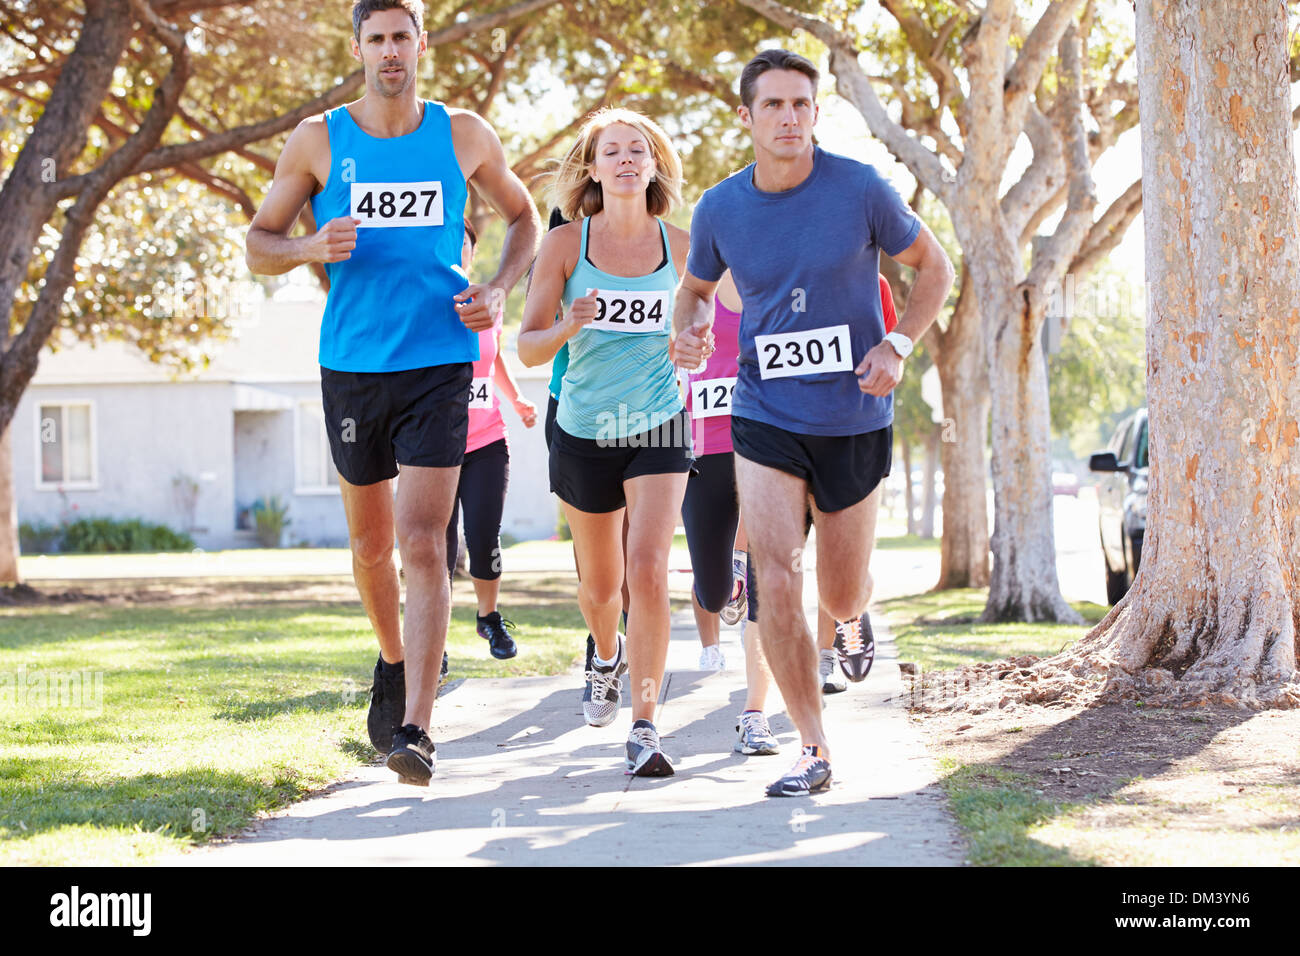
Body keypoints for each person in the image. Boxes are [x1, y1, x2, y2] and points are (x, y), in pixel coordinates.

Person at [244, 0, 541, 787]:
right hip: (352, 364)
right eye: (375, 39)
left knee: (421, 541)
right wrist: (310, 244)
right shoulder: (317, 139)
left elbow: (523, 217)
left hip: (441, 361)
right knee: (372, 546)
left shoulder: (464, 134)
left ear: (421, 44)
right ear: (358, 48)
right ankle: (392, 655)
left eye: (401, 36)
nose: (389, 51)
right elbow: (258, 245)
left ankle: (416, 726)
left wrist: (501, 286)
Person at [672, 49, 954, 797]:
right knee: (774, 574)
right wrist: (690, 328)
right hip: (763, 411)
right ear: (747, 116)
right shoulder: (720, 208)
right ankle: (812, 747)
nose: (790, 117)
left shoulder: (860, 188)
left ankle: (854, 617)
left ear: (815, 113)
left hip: (853, 414)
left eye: (802, 104)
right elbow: (695, 289)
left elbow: (935, 267)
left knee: (838, 589)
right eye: (774, 105)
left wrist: (898, 344)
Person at [519, 108, 695, 777]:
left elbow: (710, 314)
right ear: (592, 168)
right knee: (602, 587)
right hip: (585, 428)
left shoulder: (681, 245)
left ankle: (646, 725)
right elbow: (529, 349)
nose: (626, 159)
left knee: (648, 568)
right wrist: (567, 324)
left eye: (638, 149)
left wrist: (693, 340)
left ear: (654, 165)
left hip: (657, 421)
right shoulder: (566, 245)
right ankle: (603, 652)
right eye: (612, 151)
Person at [445, 219, 538, 660]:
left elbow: (494, 354)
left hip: (485, 440)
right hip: (432, 445)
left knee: (484, 537)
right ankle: (433, 642)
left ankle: (489, 617)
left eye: (463, 242)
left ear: (472, 251)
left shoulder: (490, 301)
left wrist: (516, 399)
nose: (456, 247)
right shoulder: (421, 300)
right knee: (435, 546)